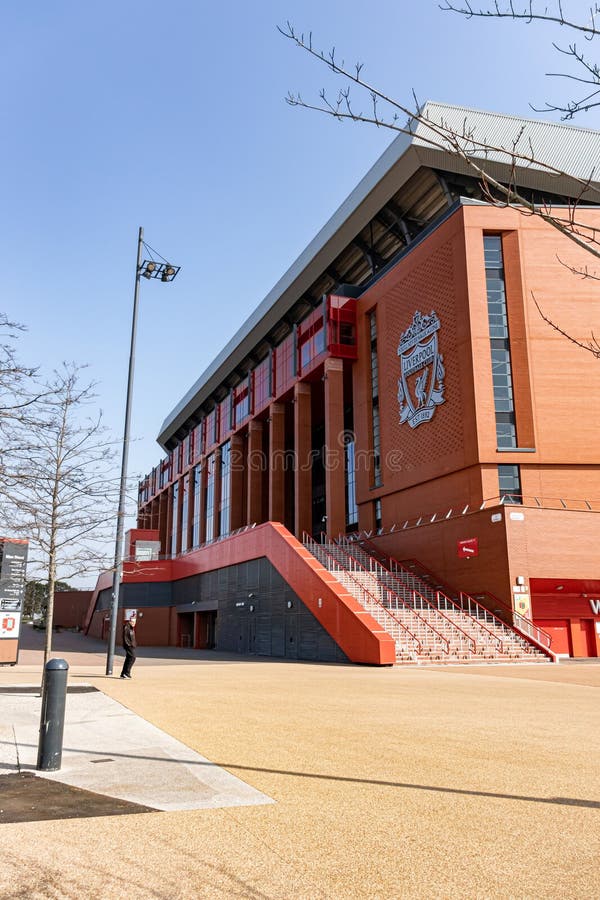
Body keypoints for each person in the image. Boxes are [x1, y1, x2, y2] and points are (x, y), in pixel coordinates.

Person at [120, 612, 137, 679]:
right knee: (132, 657)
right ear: (130, 621)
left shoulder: (131, 628)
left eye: (134, 622)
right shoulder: (127, 627)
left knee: (128, 658)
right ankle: (126, 673)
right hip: (129, 646)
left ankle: (123, 673)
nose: (134, 623)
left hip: (131, 645)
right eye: (133, 621)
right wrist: (129, 645)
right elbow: (125, 637)